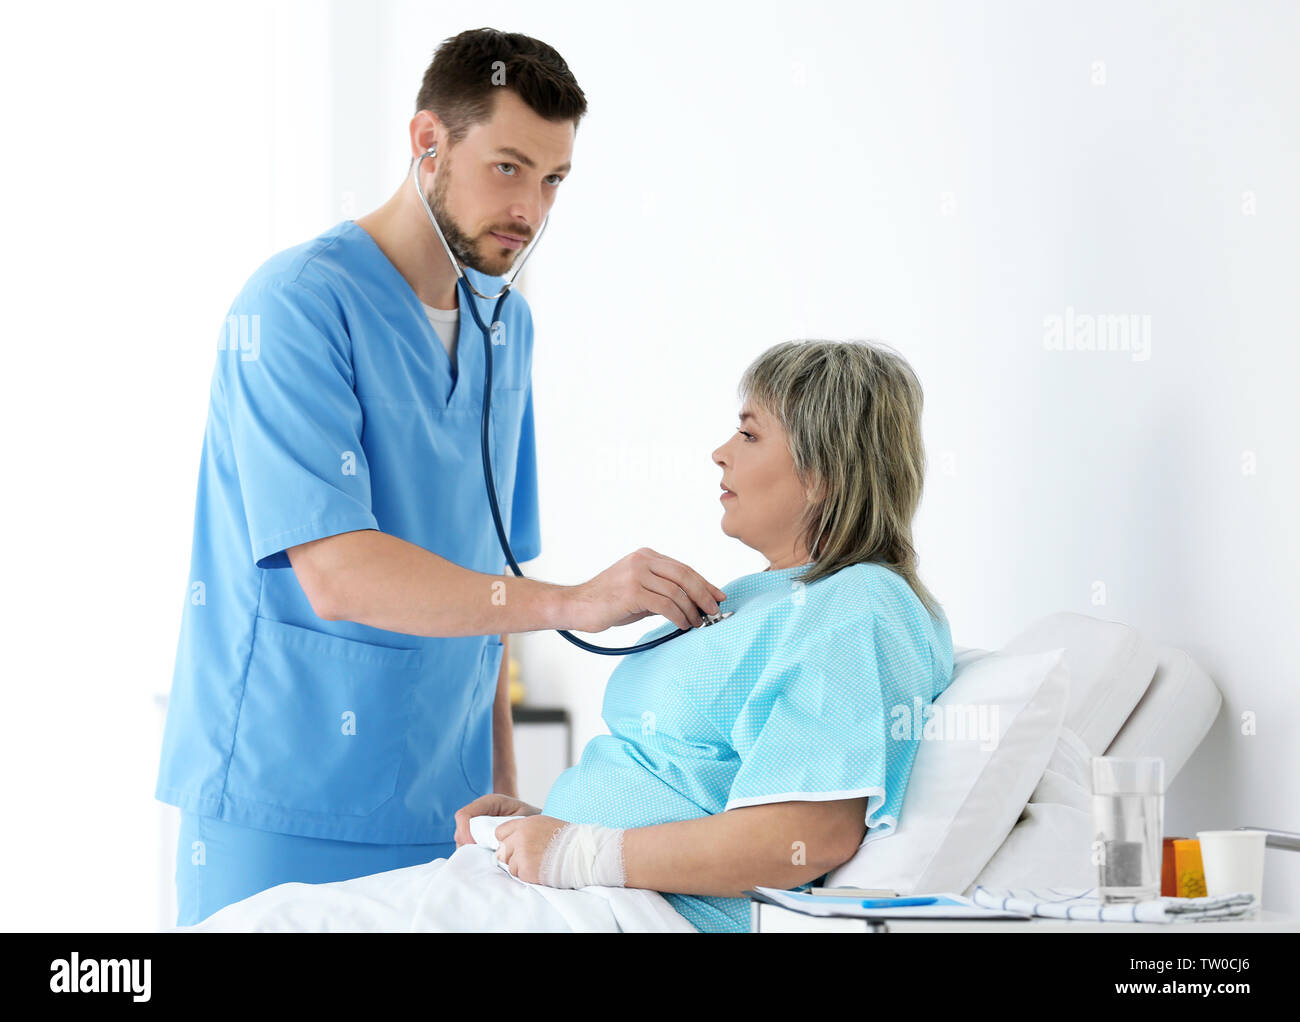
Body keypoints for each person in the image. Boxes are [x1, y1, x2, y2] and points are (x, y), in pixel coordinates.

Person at [157, 27, 727, 927]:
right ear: (428, 144)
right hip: (285, 793)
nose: (531, 210)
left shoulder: (508, 329)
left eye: (553, 180)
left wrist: (502, 782)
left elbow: (485, 569)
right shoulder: (297, 308)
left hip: (444, 810)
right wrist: (573, 601)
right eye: (507, 168)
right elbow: (339, 574)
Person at [453, 339, 956, 933]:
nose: (720, 454)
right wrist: (545, 825)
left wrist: (577, 851)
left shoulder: (859, 606)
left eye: (749, 435)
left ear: (826, 471)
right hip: (578, 895)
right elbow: (694, 781)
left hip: (642, 913)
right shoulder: (762, 595)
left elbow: (804, 836)